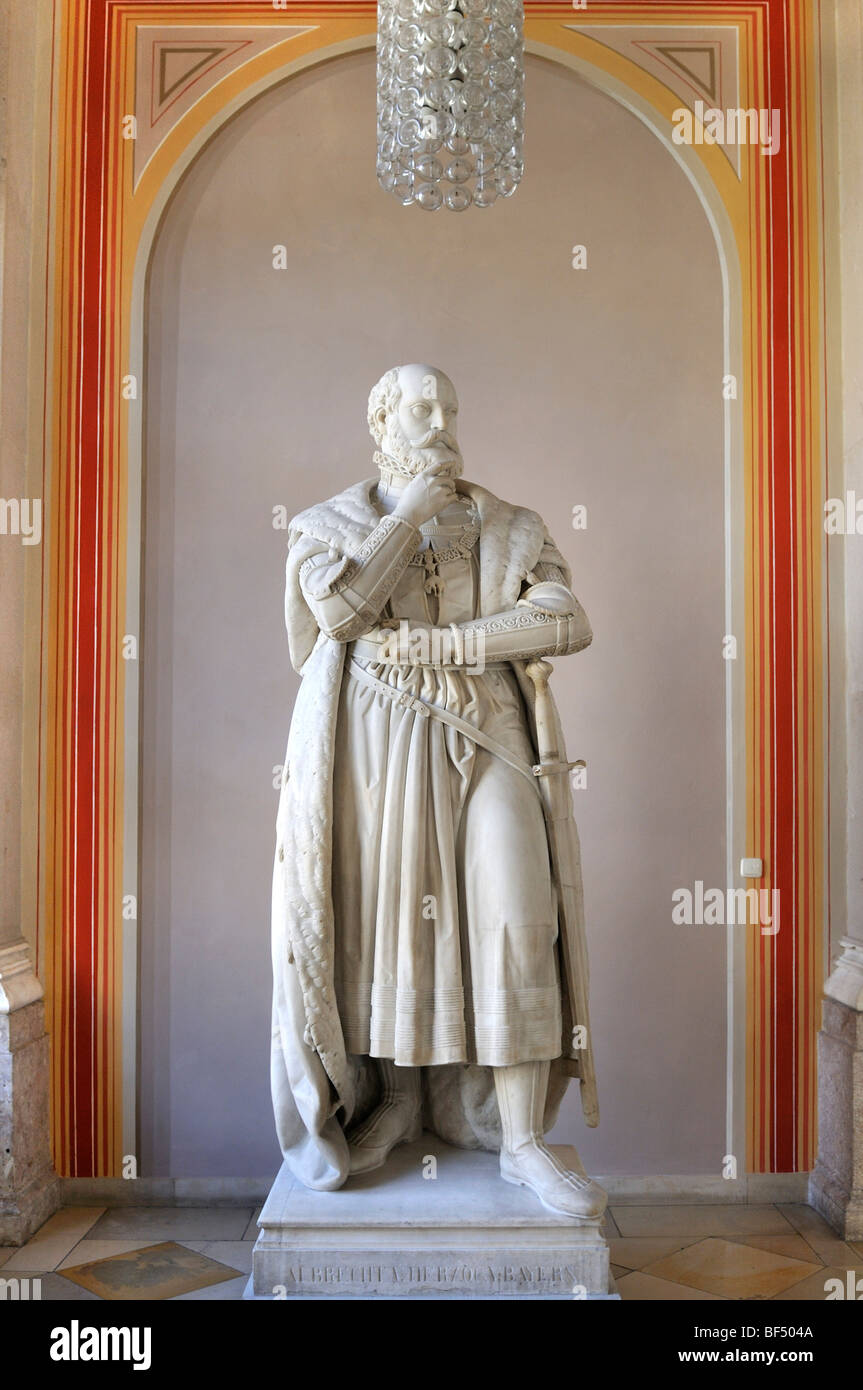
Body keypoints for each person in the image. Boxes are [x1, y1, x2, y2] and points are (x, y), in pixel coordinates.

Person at [271, 363, 605, 1220]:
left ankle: (523, 1140)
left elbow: (566, 618)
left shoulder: (507, 524)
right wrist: (411, 514)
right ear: (381, 419)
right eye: (423, 405)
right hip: (377, 753)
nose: (442, 420)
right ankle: (394, 1107)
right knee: (392, 938)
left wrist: (448, 645)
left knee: (517, 917)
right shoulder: (329, 525)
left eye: (450, 406)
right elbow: (340, 614)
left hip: (487, 730)